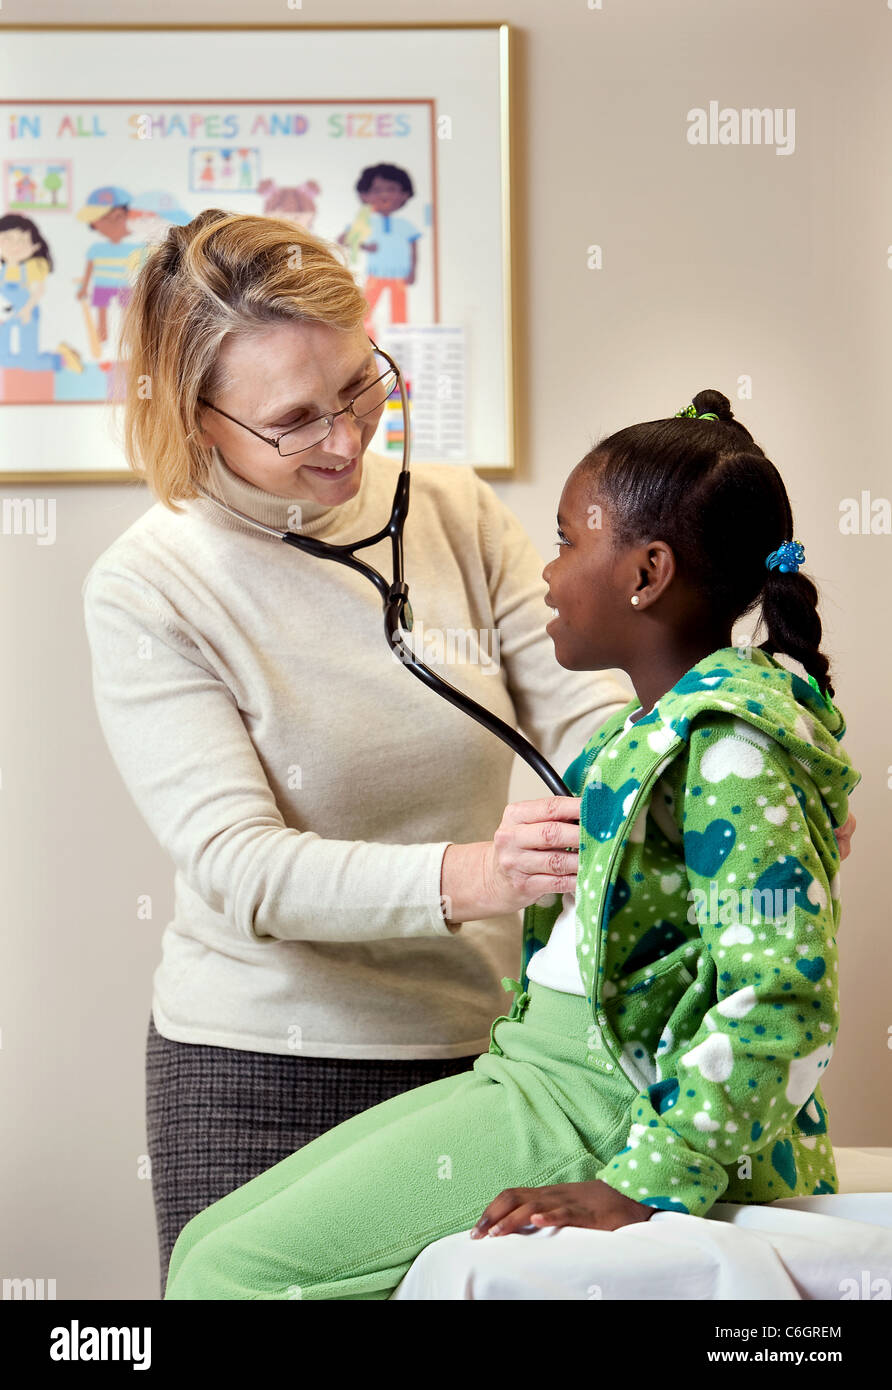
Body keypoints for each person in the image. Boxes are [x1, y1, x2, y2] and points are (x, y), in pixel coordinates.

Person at [162, 388, 860, 1300]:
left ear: (646, 574)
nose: (547, 571)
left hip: (603, 1101)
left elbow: (784, 1001)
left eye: (569, 540)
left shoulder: (730, 747)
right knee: (207, 1242)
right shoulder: (650, 734)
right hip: (529, 1066)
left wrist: (646, 1182)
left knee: (230, 1274)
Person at [80, 208, 633, 1296]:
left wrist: (716, 769)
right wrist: (477, 872)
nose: (344, 438)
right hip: (259, 1065)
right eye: (293, 420)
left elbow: (590, 713)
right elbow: (240, 864)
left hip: (487, 1057)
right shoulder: (151, 586)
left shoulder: (452, 510)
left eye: (358, 387)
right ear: (197, 420)